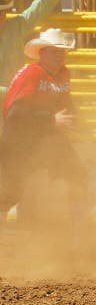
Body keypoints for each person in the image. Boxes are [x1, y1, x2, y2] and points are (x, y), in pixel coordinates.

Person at [0, 28, 87, 235]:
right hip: (19, 143)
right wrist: (51, 121)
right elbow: (15, 117)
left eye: (61, 52)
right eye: (54, 52)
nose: (59, 56)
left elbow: (66, 105)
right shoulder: (31, 74)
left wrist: (80, 124)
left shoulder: (63, 74)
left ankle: (79, 238)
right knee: (9, 193)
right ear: (42, 53)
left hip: (47, 140)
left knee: (78, 177)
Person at [0, 0, 81, 99]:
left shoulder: (14, 28)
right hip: (15, 97)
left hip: (15, 100)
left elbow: (38, 9)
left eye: (3, 12)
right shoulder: (14, 28)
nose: (2, 17)